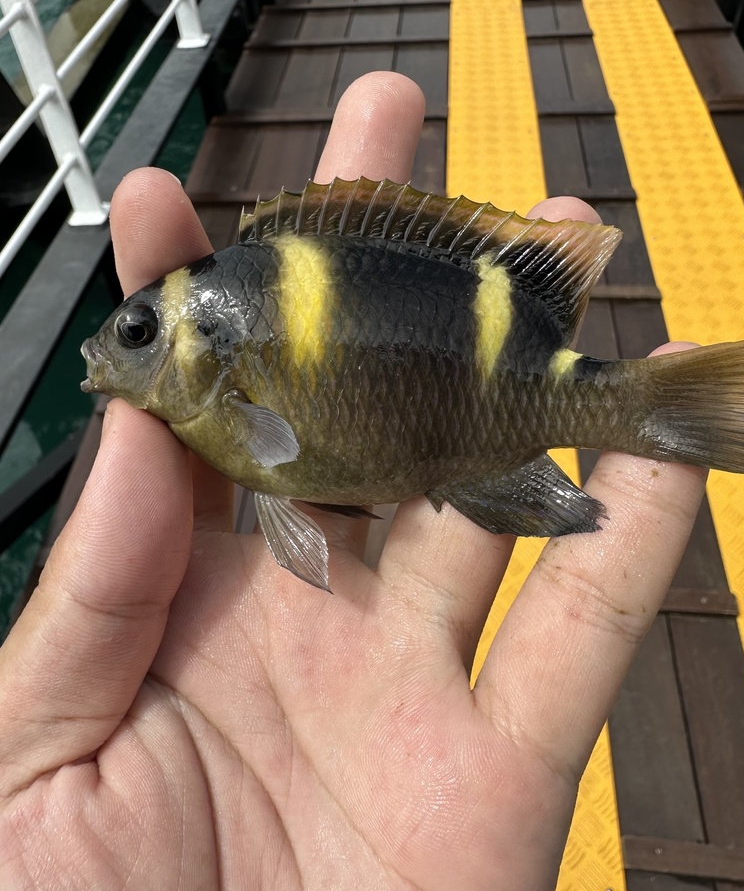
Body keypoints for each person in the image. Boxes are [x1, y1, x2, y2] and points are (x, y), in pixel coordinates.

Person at [0, 73, 706, 889]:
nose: (117, 347)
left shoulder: (217, 396)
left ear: (207, 343)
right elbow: (272, 452)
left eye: (138, 331)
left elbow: (272, 446)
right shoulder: (217, 380)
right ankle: (658, 408)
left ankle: (655, 407)